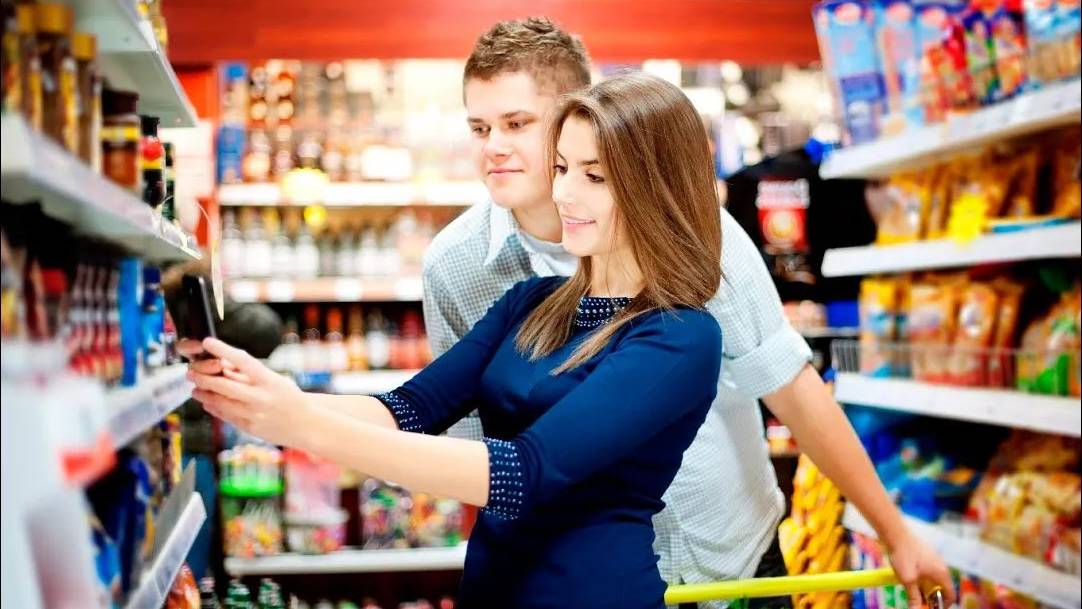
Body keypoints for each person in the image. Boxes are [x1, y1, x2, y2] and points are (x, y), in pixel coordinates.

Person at [420, 17, 953, 609]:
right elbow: (475, 459)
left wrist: (894, 532)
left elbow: (789, 385)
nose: (493, 146)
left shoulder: (696, 232)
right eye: (478, 127)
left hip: (735, 568)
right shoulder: (457, 267)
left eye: (517, 123)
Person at [186, 72, 726, 609]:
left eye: (596, 176)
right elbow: (407, 409)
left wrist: (302, 424)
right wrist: (262, 394)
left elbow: (522, 474)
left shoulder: (679, 336)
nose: (563, 192)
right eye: (562, 168)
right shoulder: (531, 302)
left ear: (657, 188)